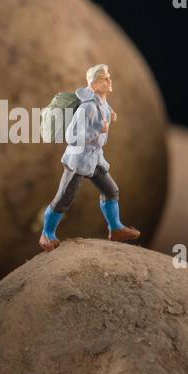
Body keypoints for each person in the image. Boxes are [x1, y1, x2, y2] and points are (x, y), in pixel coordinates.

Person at [38, 64, 142, 252]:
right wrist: (97, 130)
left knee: (111, 191)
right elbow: (71, 137)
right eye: (105, 78)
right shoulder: (87, 108)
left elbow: (104, 114)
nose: (110, 80)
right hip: (77, 161)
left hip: (95, 159)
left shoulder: (101, 103)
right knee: (64, 199)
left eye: (109, 76)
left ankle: (115, 228)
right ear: (94, 84)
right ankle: (46, 233)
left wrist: (111, 115)